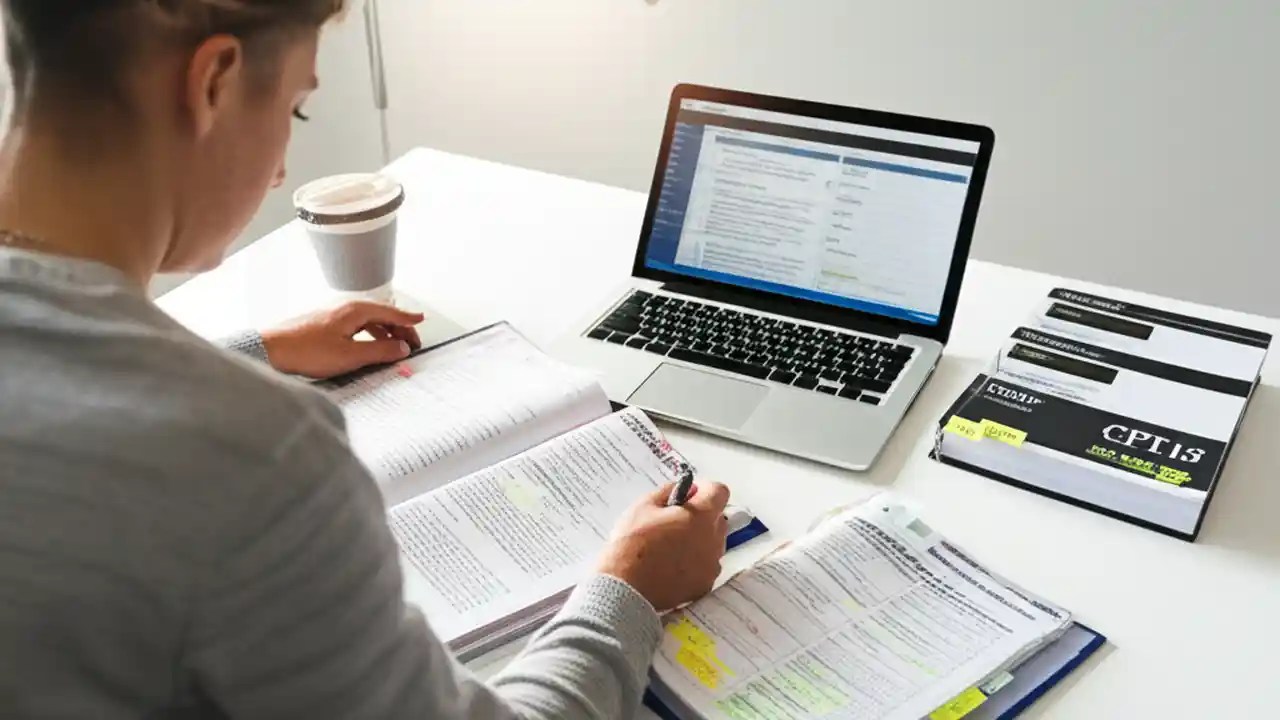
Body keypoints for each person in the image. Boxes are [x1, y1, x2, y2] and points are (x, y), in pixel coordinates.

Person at [0, 1, 731, 718]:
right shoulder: (256, 455)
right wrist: (628, 590)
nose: (283, 168)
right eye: (296, 109)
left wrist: (261, 351)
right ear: (214, 81)